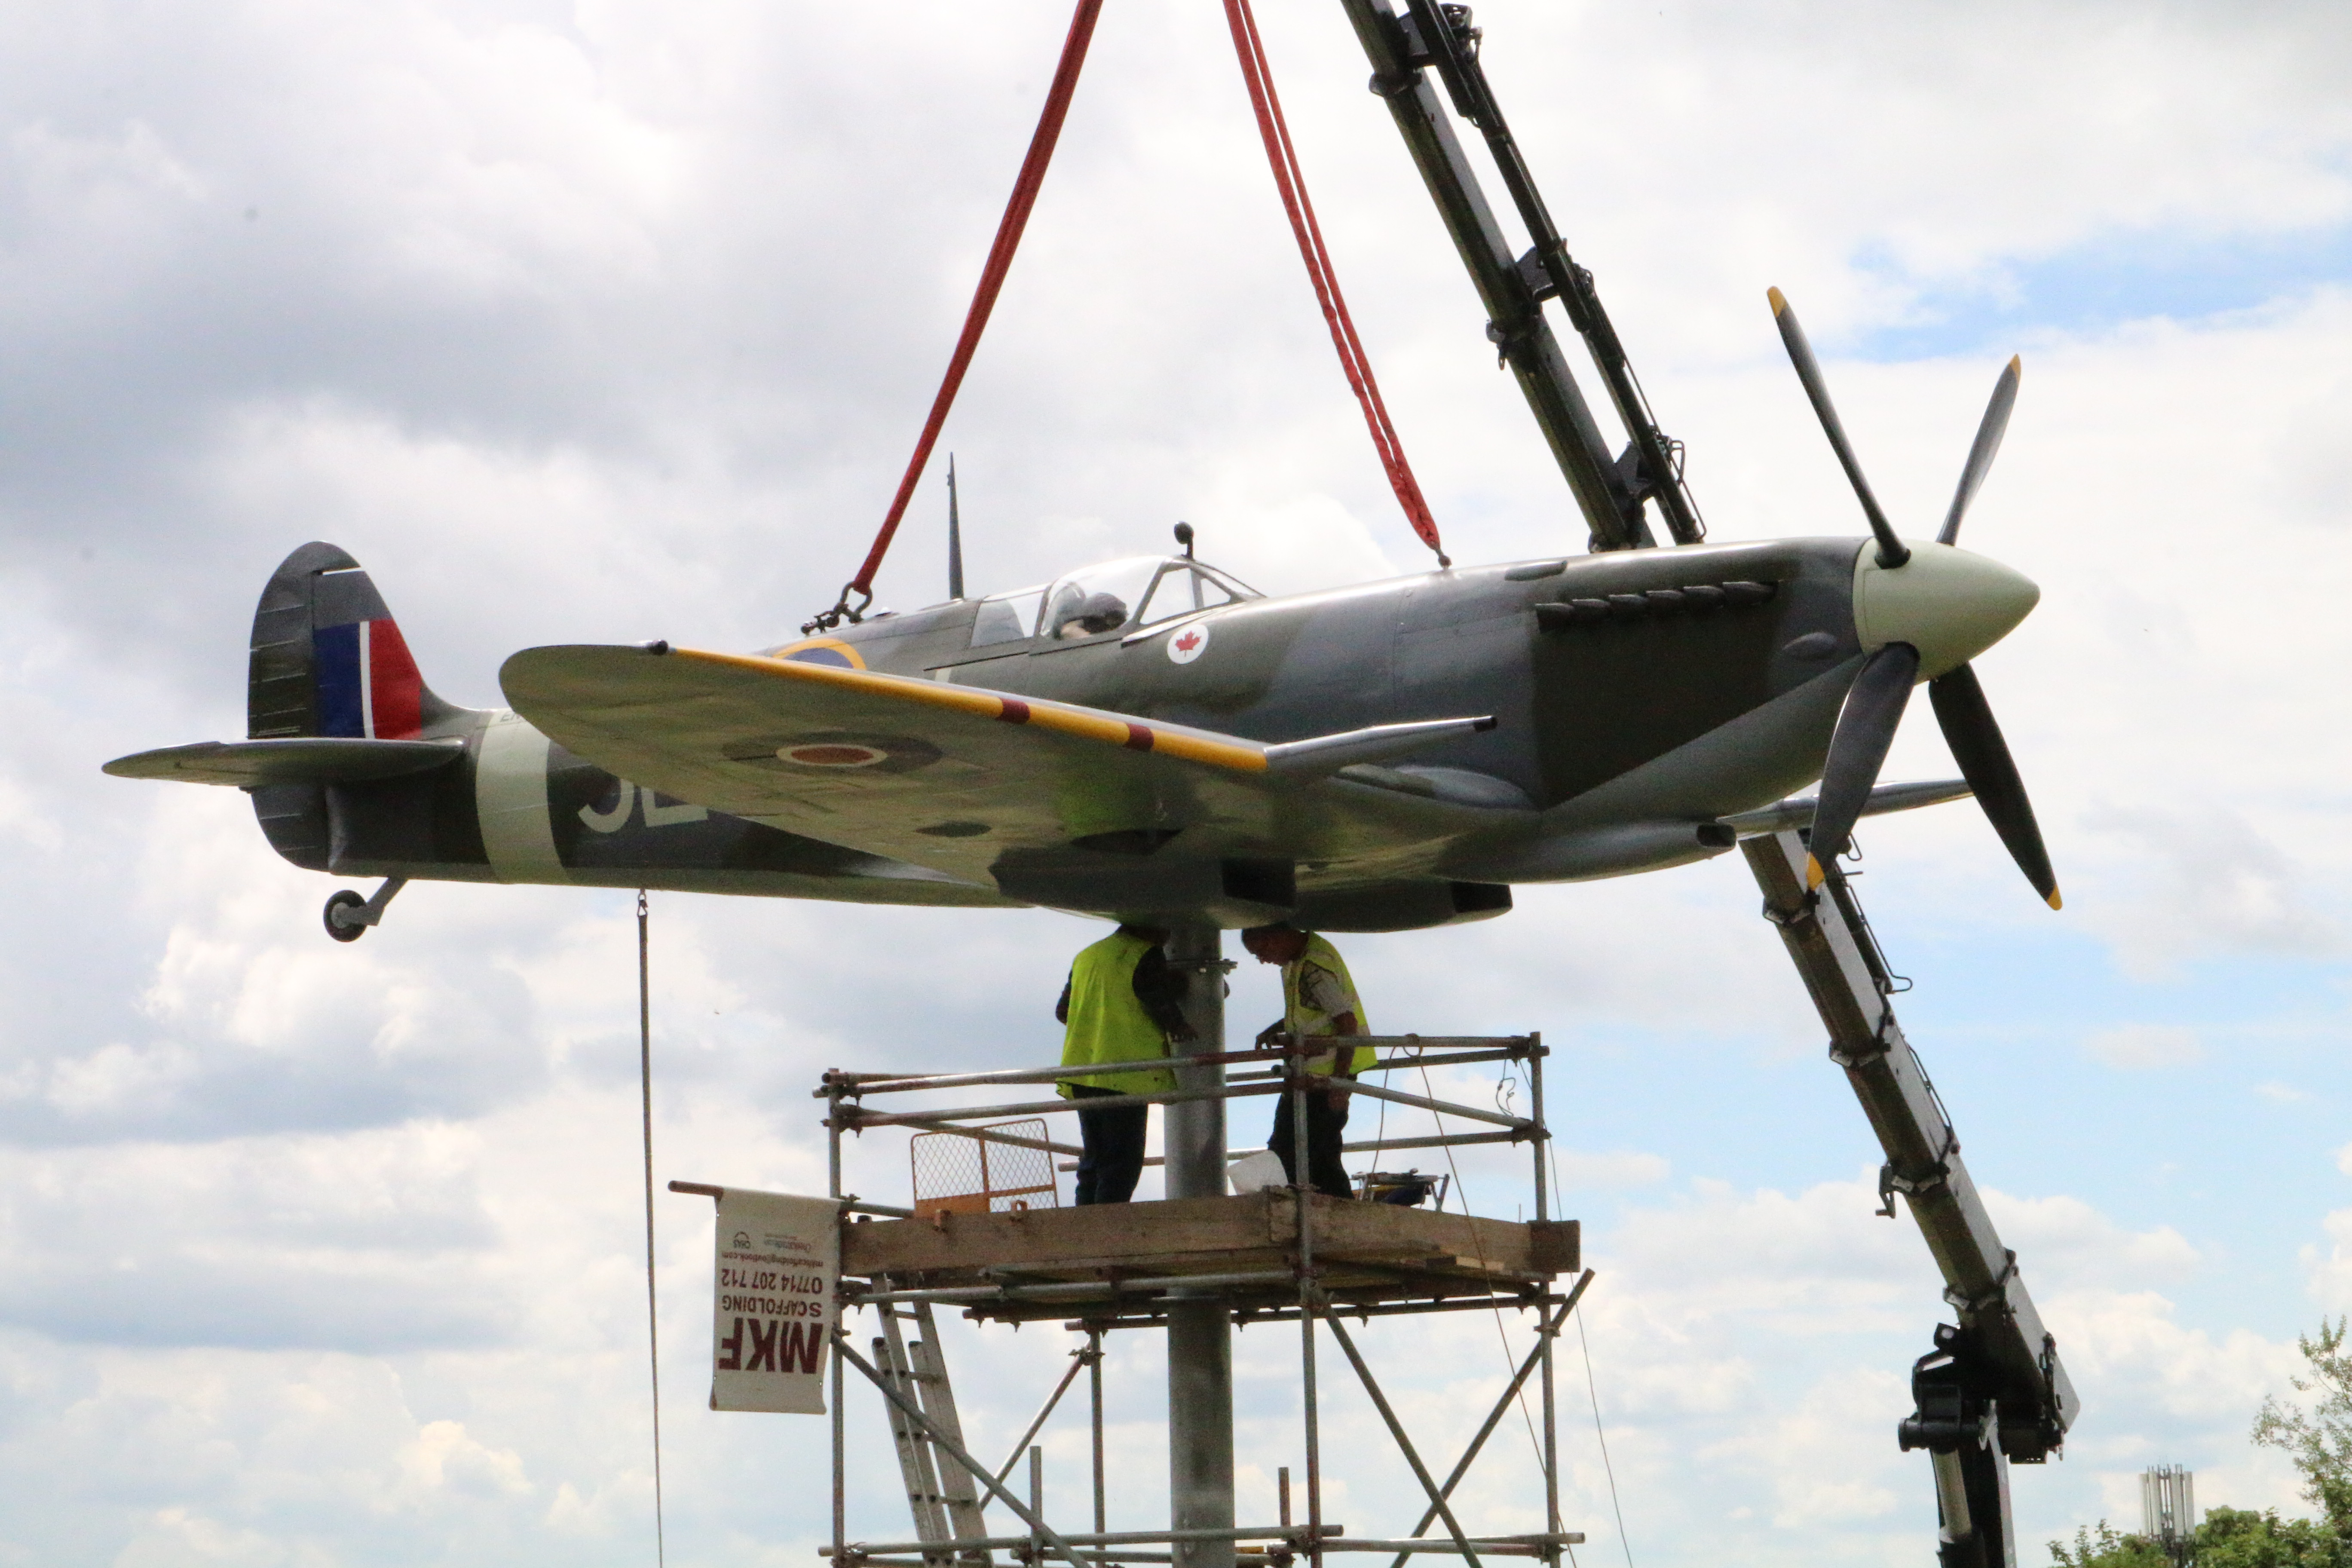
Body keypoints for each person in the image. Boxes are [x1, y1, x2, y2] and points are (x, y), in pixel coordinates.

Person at [1057, 923, 1195, 1205]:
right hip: (1124, 1071)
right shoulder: (1145, 953)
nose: (1168, 936)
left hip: (1083, 1071)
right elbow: (1153, 996)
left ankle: (1084, 1221)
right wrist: (1178, 1024)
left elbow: (1063, 1012)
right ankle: (1110, 1224)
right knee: (1122, 1159)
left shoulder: (1088, 955)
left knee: (1095, 1155)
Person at [1241, 923, 1373, 1201]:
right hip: (1310, 1075)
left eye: (1262, 951)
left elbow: (1346, 1024)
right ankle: (1312, 1211)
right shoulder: (1299, 961)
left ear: (1277, 937)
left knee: (1317, 1154)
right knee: (1292, 1149)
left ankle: (1338, 1214)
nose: (1263, 959)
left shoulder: (1314, 968)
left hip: (1325, 1076)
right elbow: (1314, 1011)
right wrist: (1277, 1027)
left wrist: (1338, 1083)